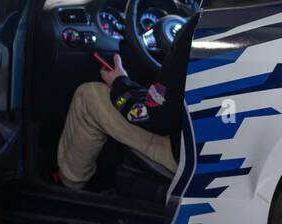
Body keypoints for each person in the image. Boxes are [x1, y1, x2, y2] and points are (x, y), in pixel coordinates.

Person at [56, 15, 196, 189]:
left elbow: (157, 118)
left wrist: (120, 83)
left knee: (88, 97)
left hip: (189, 155)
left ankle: (69, 184)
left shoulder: (198, 29)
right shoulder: (236, 26)